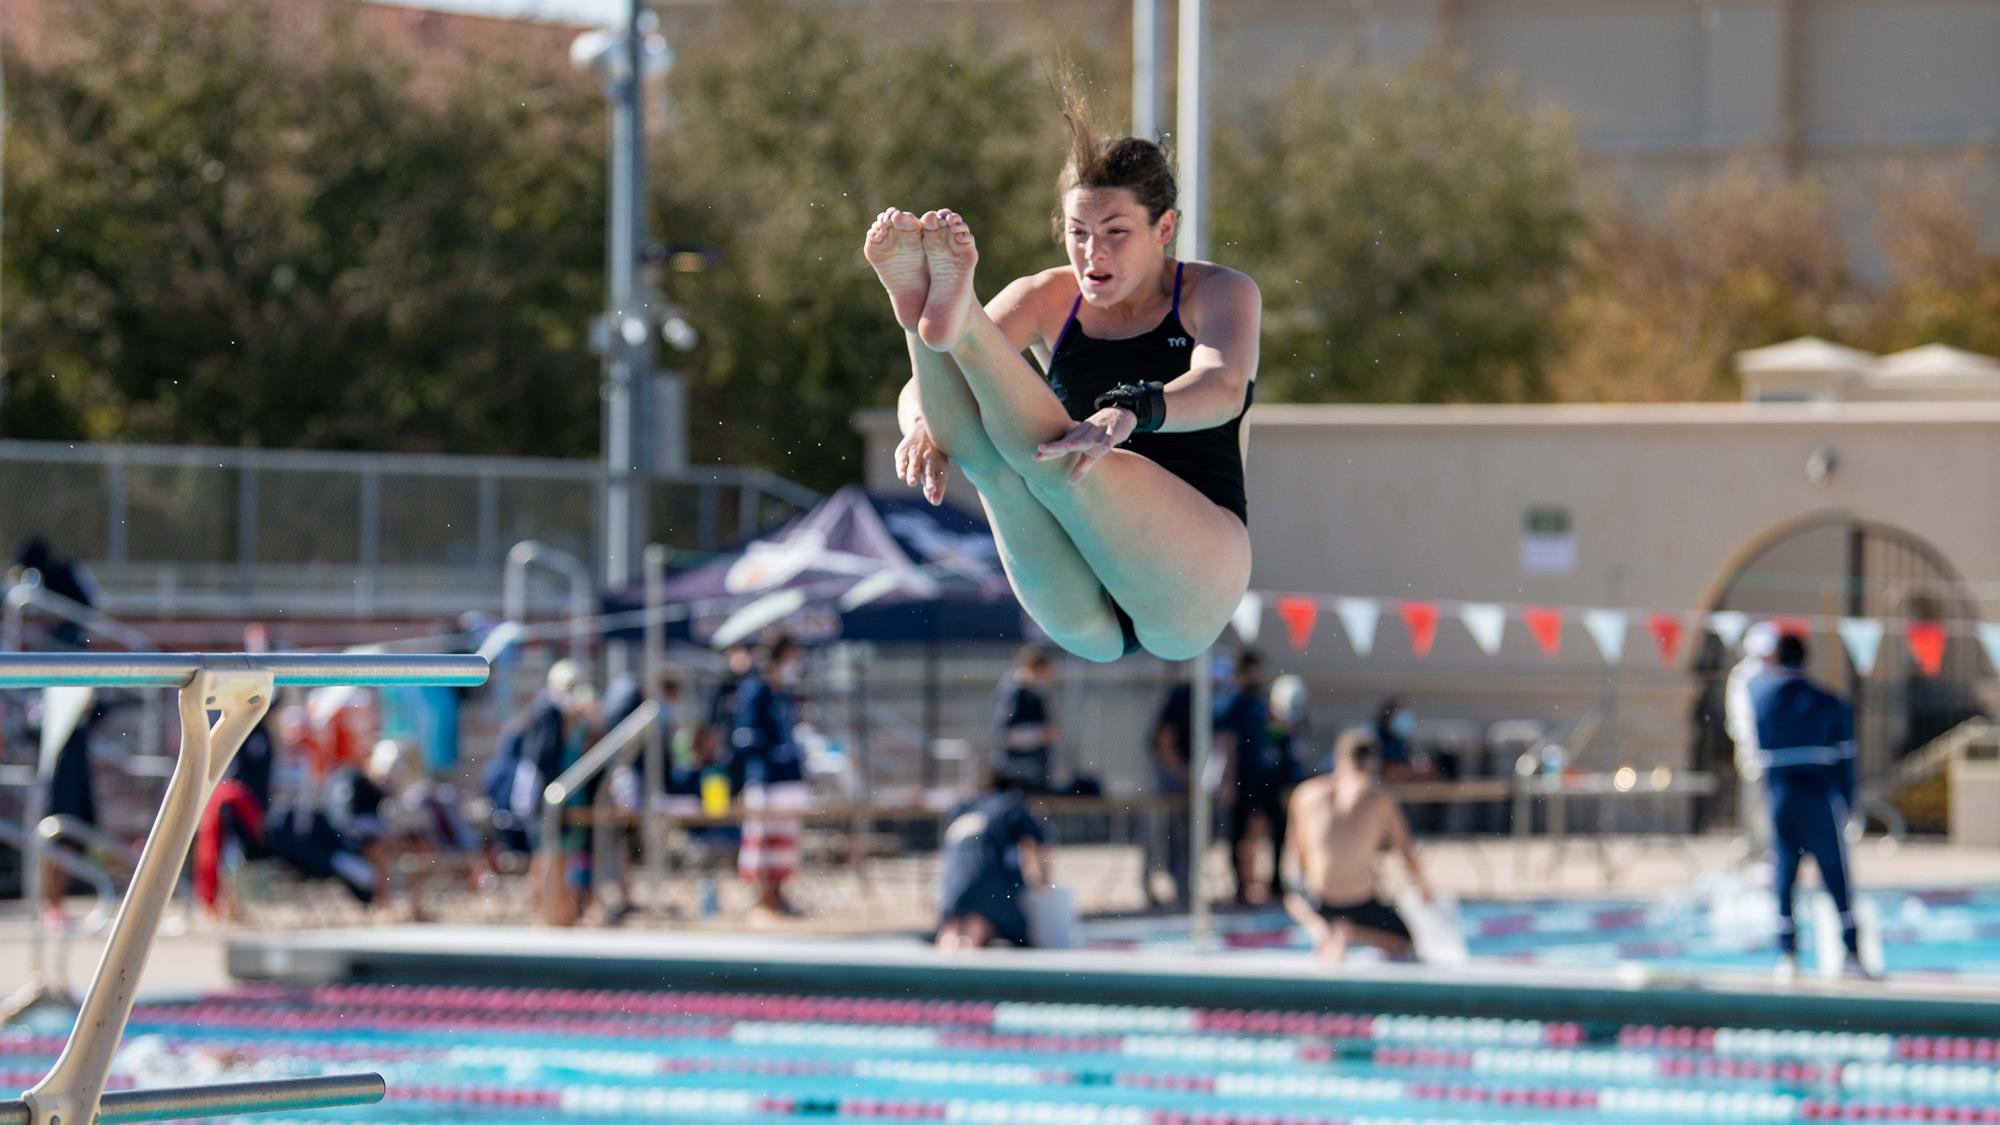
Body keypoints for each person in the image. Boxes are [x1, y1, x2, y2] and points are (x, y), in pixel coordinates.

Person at [866, 95, 1260, 663]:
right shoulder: (1047, 296)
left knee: (1057, 458)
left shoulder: (1217, 292)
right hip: (1076, 593)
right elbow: (913, 395)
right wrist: (923, 422)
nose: (1092, 254)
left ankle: (963, 323)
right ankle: (919, 317)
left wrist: (1132, 410)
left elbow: (1222, 387)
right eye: (1078, 233)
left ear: (1164, 227)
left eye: (1115, 232)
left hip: (1191, 578)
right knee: (989, 463)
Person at [1752, 634, 1870, 981]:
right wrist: (1849, 804)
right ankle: (1851, 953)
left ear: (1776, 657)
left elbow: (1763, 760)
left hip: (1783, 799)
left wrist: (1768, 801)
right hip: (1819, 799)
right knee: (1836, 876)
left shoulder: (1763, 702)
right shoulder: (1829, 702)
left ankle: (1787, 955)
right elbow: (1846, 762)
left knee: (1784, 876)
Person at [1283, 728, 1434, 964]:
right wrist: (1424, 889)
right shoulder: (1379, 795)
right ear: (1372, 761)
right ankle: (1351, 931)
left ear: (1337, 758)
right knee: (1405, 944)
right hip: (1359, 902)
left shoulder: (1305, 793)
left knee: (1294, 898)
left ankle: (1320, 927)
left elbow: (1295, 861)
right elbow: (1405, 850)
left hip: (1317, 902)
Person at [730, 634, 810, 919]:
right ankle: (763, 898)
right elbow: (744, 738)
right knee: (761, 841)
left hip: (787, 780)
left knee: (784, 844)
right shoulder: (755, 690)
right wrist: (776, 752)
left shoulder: (784, 694)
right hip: (764, 778)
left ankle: (777, 893)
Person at [934, 776, 1052, 950]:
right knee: (1019, 941)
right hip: (991, 888)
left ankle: (942, 970)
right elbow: (1039, 845)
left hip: (950, 889)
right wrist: (1044, 881)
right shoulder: (1011, 804)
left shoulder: (964, 808)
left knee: (953, 926)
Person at [1216, 650, 1289, 905]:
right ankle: (1240, 887)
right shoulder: (1234, 704)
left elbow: (1278, 737)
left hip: (1266, 777)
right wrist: (1227, 781)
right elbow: (1228, 743)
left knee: (1279, 827)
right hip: (1243, 777)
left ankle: (1276, 882)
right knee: (1240, 833)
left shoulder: (1264, 703)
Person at [1725, 621, 1781, 860]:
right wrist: (1753, 745)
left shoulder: (1777, 675)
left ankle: (1773, 846)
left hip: (1776, 751)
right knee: (1753, 801)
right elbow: (1741, 716)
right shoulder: (1743, 677)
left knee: (1773, 803)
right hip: (1754, 751)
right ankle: (1755, 846)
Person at [1140, 678, 1193, 909]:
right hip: (1169, 776)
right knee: (1163, 832)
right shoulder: (1183, 696)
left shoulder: (1211, 697)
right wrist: (1181, 772)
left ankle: (1181, 885)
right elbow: (1164, 740)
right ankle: (1153, 884)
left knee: (1185, 834)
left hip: (1182, 774)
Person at [991, 645, 1059, 793]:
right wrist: (1040, 735)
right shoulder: (1013, 693)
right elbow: (1005, 734)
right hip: (1015, 775)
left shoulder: (1036, 693)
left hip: (1035, 773)